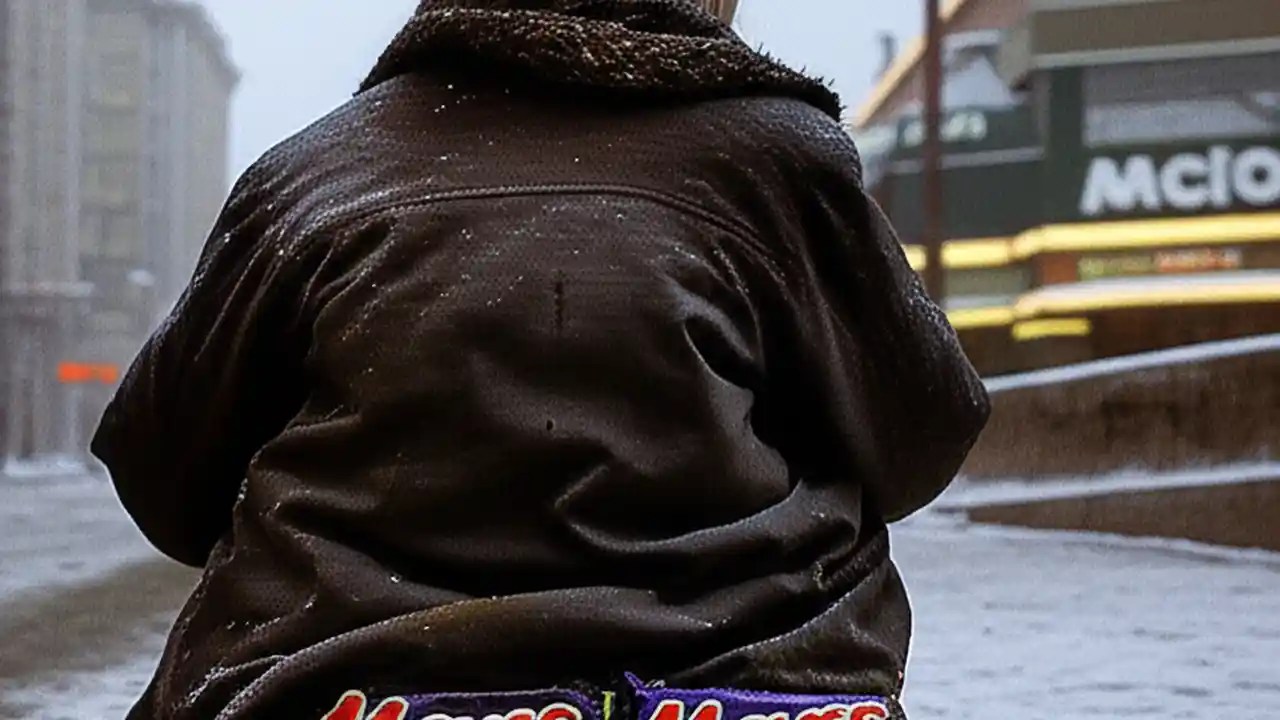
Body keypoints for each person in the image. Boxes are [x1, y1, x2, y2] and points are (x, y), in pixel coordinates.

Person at [92, 1, 990, 718]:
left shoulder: (313, 176)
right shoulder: (781, 169)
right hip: (741, 680)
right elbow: (920, 437)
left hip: (340, 685)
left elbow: (166, 482)